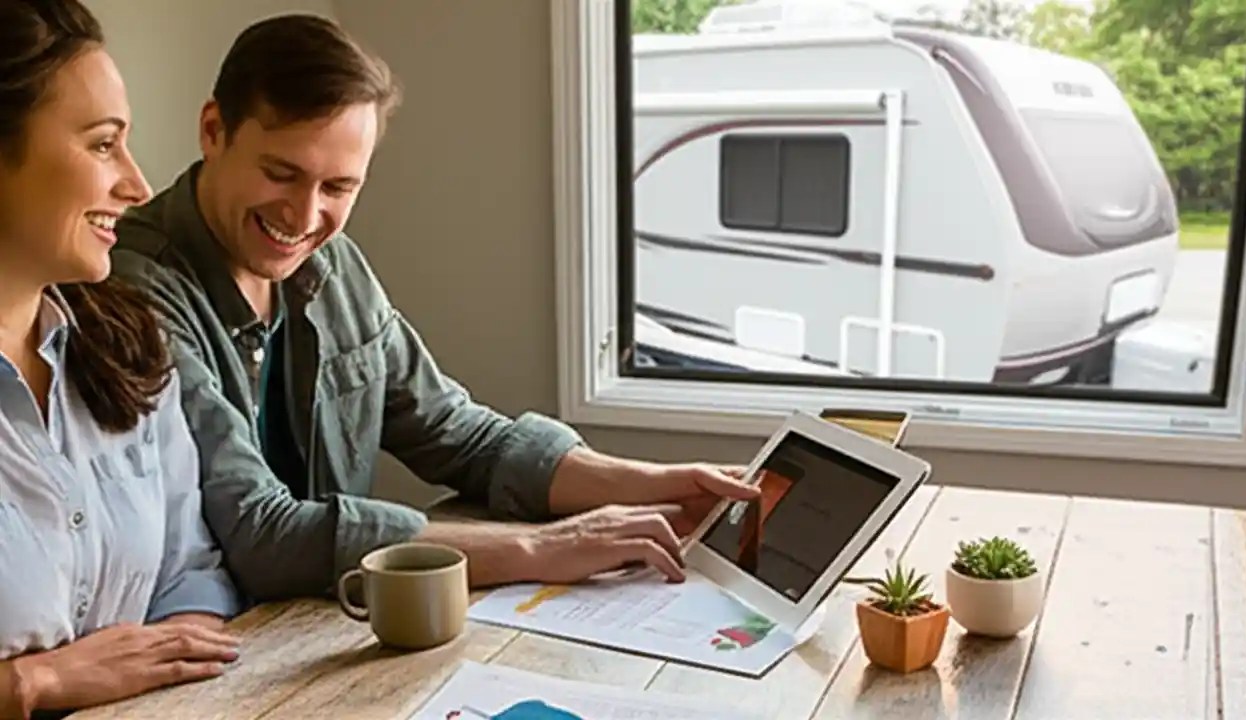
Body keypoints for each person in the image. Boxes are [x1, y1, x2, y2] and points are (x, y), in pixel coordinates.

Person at [108, 13, 759, 605]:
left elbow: (460, 435)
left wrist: (660, 484)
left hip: (318, 626)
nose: (305, 217)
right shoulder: (132, 288)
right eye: (282, 174)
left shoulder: (333, 269)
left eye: (338, 187)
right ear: (213, 131)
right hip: (210, 655)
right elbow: (265, 534)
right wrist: (545, 548)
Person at [0, 1, 243, 717]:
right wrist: (31, 685)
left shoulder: (128, 349)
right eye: (103, 145)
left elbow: (189, 571)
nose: (137, 185)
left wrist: (177, 651)